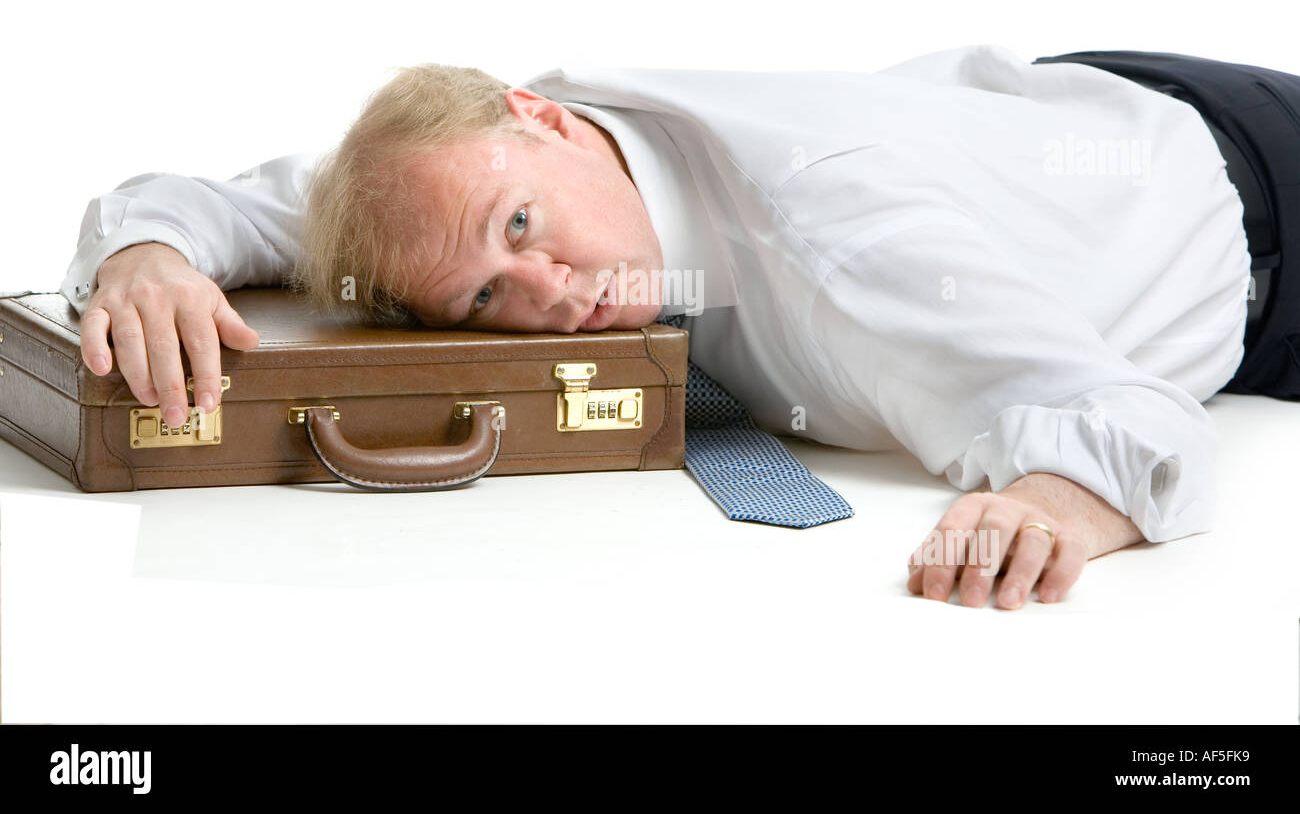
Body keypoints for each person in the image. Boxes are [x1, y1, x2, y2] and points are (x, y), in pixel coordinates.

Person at [60, 44, 1294, 611]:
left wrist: (1051, 500)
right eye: (488, 295)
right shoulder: (465, 177)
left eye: (525, 223)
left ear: (542, 117)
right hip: (1054, 128)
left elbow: (1129, 419)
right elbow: (258, 204)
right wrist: (148, 253)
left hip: (1253, 209)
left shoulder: (844, 245)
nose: (543, 288)